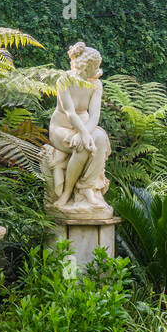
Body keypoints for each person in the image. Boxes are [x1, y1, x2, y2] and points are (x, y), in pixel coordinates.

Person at [43, 42, 111, 212]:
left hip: (86, 125)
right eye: (93, 68)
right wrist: (84, 135)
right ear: (84, 67)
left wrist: (85, 133)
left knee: (100, 138)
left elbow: (94, 115)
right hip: (61, 127)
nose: (95, 71)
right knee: (82, 145)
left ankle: (86, 187)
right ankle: (66, 193)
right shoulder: (64, 80)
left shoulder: (96, 84)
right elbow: (70, 113)